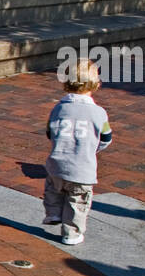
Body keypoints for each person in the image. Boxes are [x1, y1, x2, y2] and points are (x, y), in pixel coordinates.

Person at [43, 59, 113, 246]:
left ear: (65, 82)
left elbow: (50, 132)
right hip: (82, 169)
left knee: (53, 189)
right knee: (78, 201)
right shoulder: (99, 113)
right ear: (96, 85)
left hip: (56, 164)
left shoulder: (58, 108)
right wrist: (93, 149)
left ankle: (53, 213)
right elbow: (106, 138)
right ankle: (71, 233)